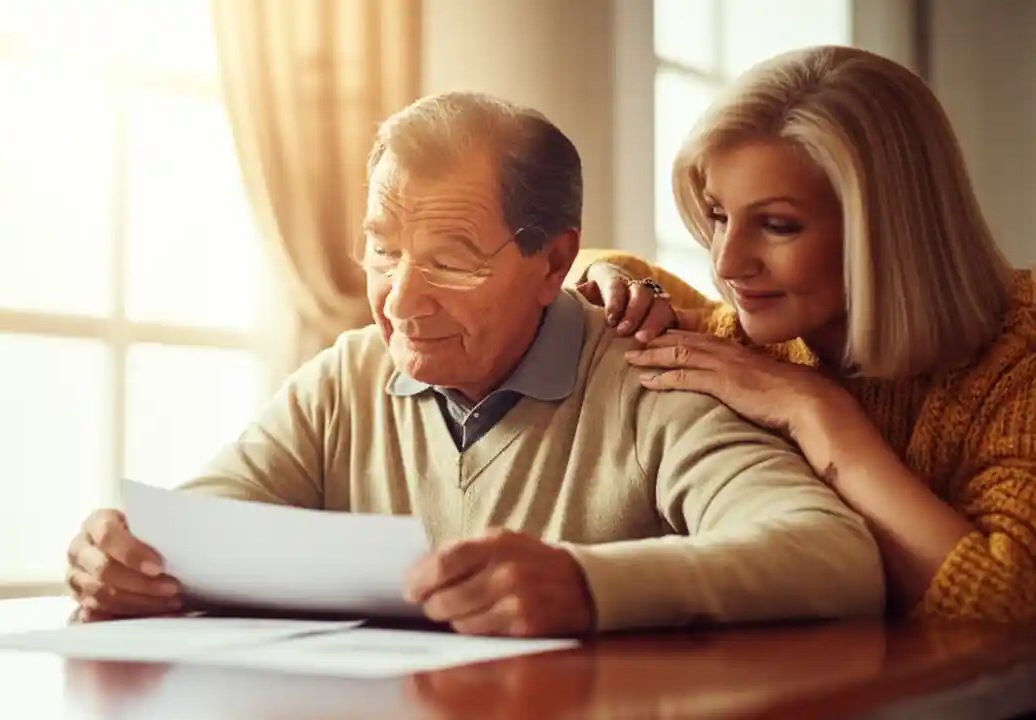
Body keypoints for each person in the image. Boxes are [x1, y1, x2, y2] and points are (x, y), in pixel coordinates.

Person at [67, 91, 883, 636]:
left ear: (554, 262)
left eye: (452, 261)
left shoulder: (652, 377)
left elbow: (831, 553)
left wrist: (586, 585)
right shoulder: (346, 379)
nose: (400, 301)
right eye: (383, 251)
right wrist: (129, 560)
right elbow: (202, 528)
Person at [575, 45, 1036, 621]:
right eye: (719, 215)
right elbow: (587, 270)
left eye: (777, 225)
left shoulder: (1020, 355)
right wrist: (605, 276)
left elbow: (1002, 605)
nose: (727, 261)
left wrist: (817, 412)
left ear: (886, 231)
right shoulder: (752, 341)